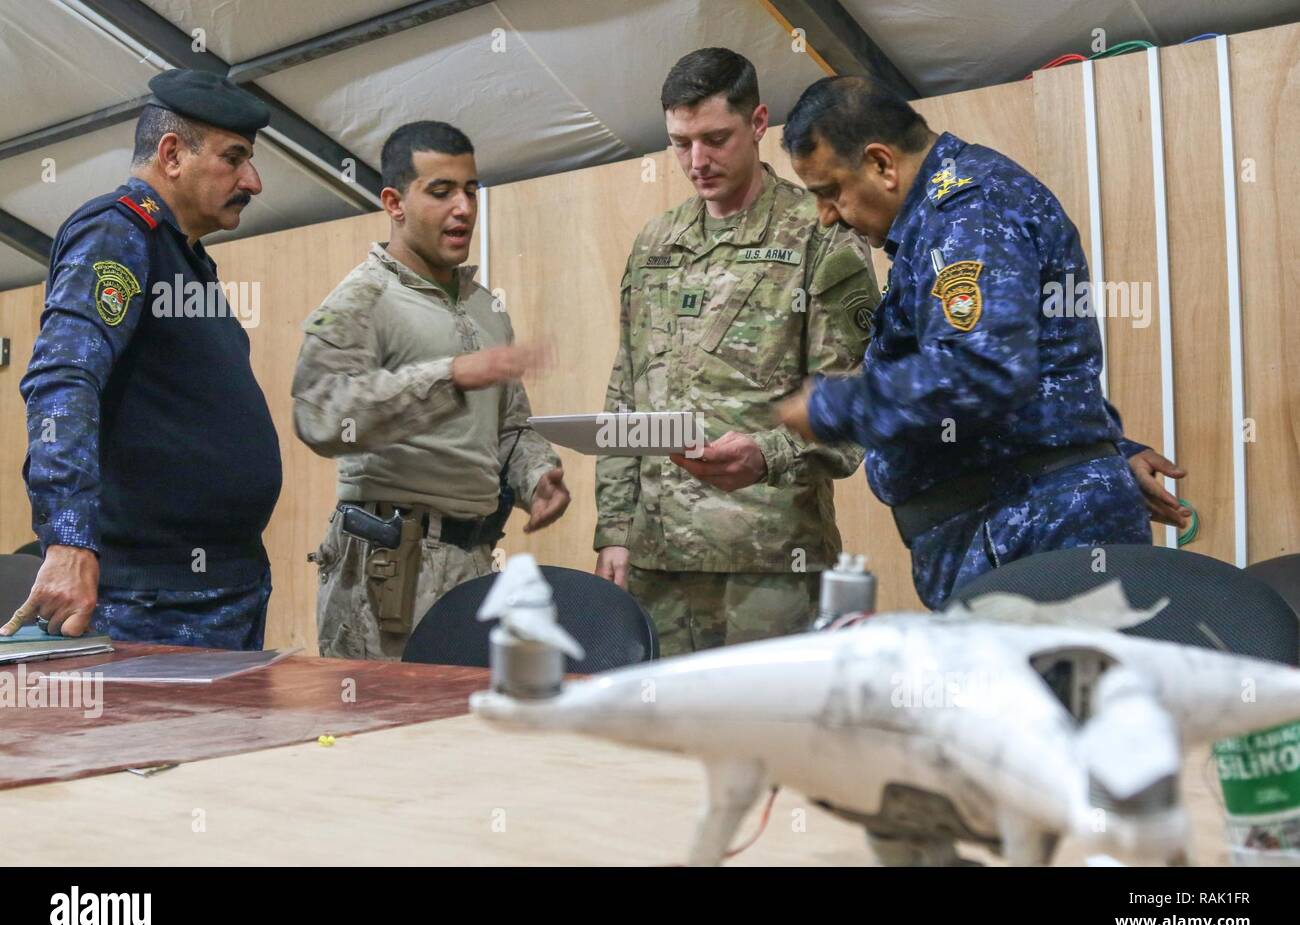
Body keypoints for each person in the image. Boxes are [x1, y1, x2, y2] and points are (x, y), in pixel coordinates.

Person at [776, 76, 1189, 609]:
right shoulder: (950, 213)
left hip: (1027, 529)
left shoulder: (967, 212)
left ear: (882, 164)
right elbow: (1035, 359)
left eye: (830, 191)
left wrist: (831, 404)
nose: (827, 214)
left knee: (1053, 694)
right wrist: (1097, 452)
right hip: (1022, 522)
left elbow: (981, 369)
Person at [594, 49, 879, 655]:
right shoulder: (655, 242)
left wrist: (768, 455)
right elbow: (627, 391)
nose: (697, 161)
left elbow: (855, 403)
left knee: (772, 738)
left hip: (772, 566)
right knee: (661, 741)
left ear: (758, 124)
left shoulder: (820, 233)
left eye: (716, 138)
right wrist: (614, 531)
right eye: (680, 143)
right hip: (657, 564)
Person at [1, 69, 282, 647]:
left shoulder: (186, 256)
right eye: (235, 157)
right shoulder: (117, 232)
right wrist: (69, 538)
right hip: (152, 600)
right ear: (172, 154)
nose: (252, 180)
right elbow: (63, 380)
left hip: (222, 589)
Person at [293, 121, 569, 660]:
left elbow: (510, 426)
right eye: (440, 192)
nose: (463, 208)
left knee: (460, 736)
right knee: (382, 734)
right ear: (394, 203)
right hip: (388, 571)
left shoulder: (485, 305)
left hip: (475, 561)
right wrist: (449, 376)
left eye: (470, 190)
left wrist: (538, 476)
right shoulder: (362, 299)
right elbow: (321, 414)